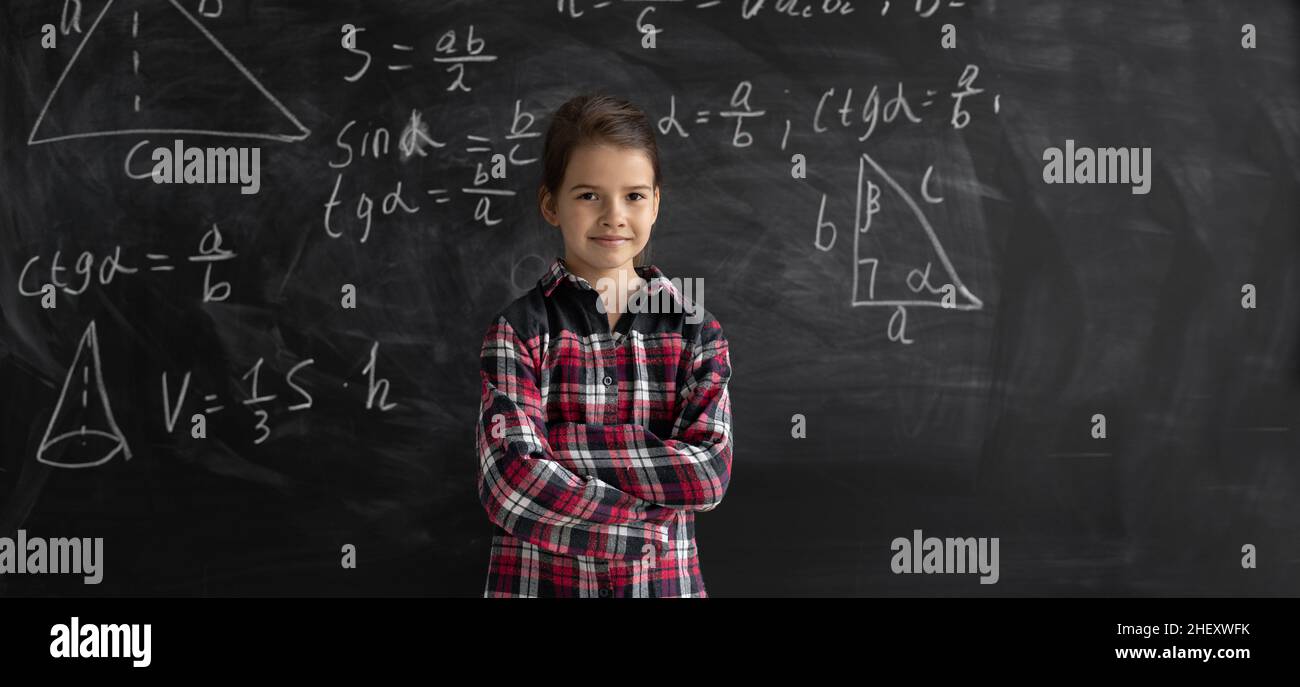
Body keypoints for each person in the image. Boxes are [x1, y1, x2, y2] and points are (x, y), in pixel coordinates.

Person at [475, 93, 734, 597]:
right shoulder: (518, 330)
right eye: (589, 195)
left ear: (656, 202)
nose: (614, 215)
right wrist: (641, 528)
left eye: (634, 196)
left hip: (665, 586)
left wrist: (563, 445)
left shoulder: (696, 333)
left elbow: (708, 474)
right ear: (551, 203)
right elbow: (509, 482)